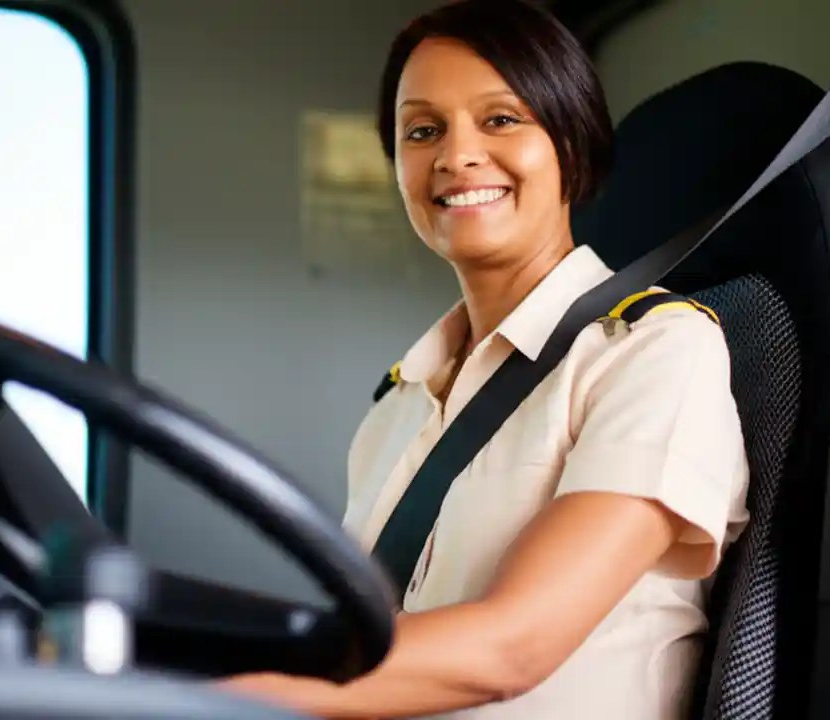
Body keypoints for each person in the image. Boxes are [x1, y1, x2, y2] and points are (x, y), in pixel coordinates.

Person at [217, 0, 750, 717]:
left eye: (500, 119)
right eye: (423, 130)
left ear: (570, 143)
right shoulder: (397, 404)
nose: (455, 155)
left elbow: (513, 647)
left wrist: (207, 689)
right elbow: (364, 644)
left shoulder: (655, 351)